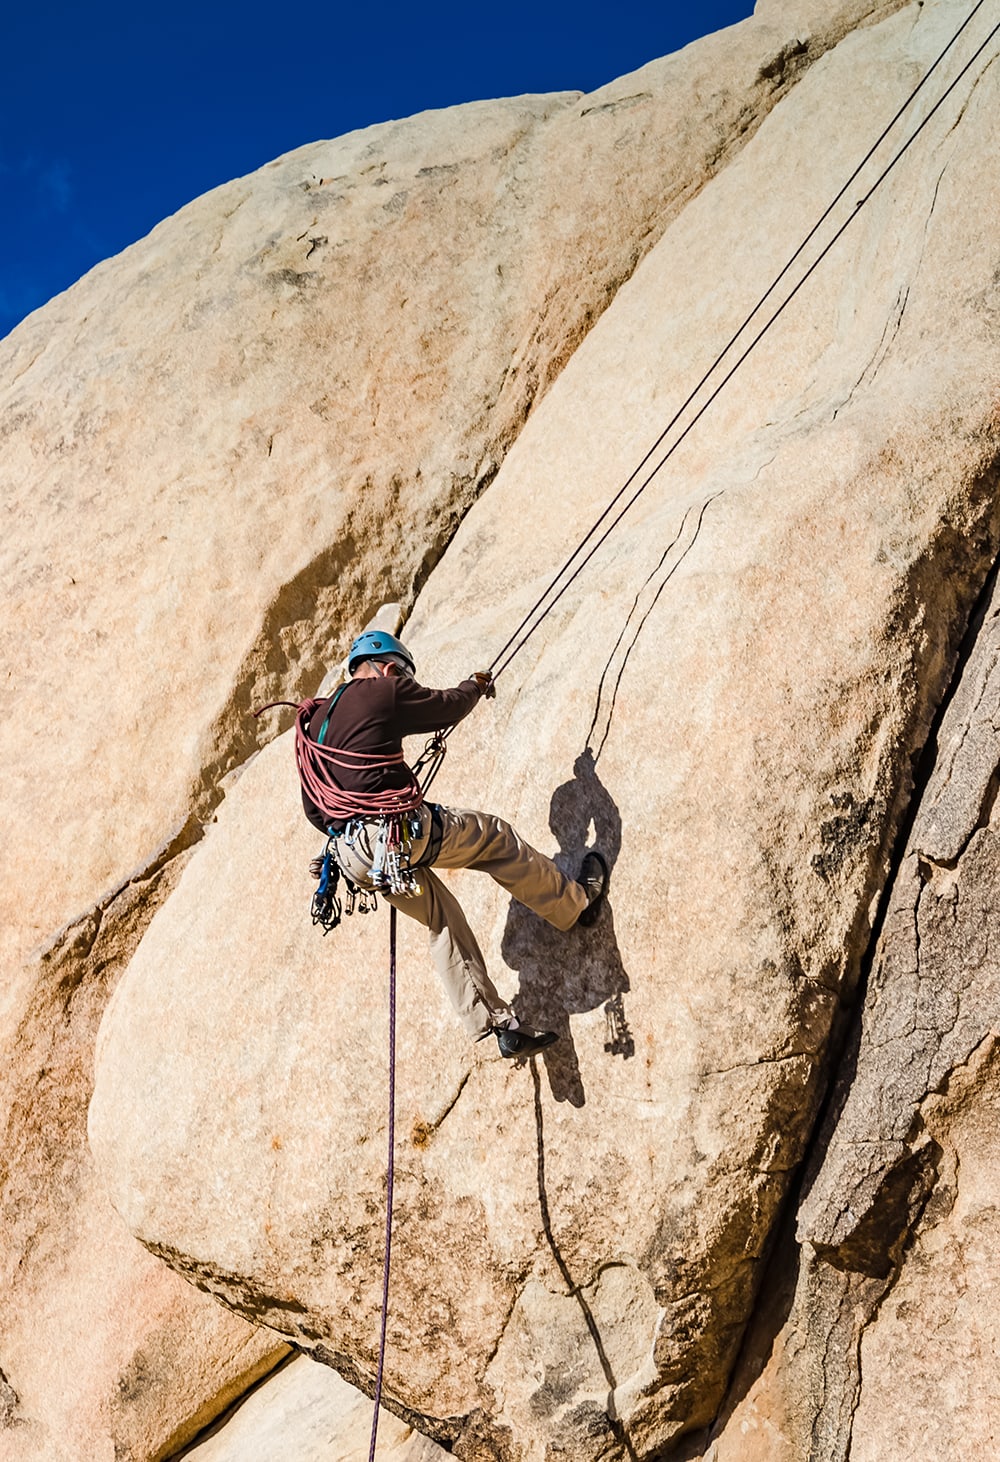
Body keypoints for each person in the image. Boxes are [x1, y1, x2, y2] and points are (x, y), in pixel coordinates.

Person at [297, 630, 607, 1057]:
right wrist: (476, 685)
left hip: (352, 858)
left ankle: (500, 1026)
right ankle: (575, 906)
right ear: (389, 668)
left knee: (441, 918)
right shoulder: (382, 691)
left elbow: (315, 811)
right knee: (494, 838)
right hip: (394, 832)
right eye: (402, 674)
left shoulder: (312, 725)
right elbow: (447, 706)